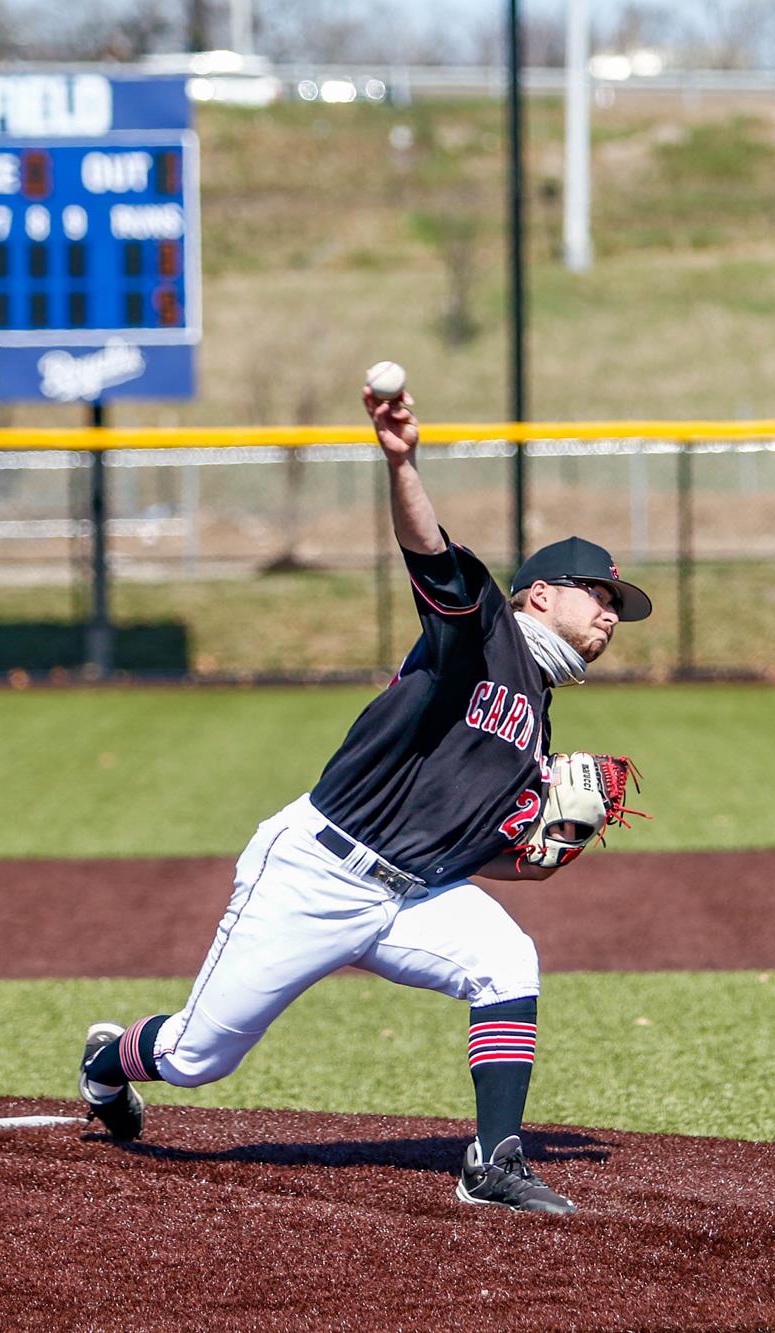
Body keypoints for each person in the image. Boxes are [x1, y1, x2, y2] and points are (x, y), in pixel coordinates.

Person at [75, 377, 652, 1216]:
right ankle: (108, 1060)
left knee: (506, 958)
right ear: (540, 592)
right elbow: (429, 555)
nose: (608, 613)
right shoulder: (483, 629)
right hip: (315, 872)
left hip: (412, 894)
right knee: (201, 1056)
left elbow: (482, 851)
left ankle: (493, 1161)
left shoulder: (536, 727)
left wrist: (536, 862)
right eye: (597, 593)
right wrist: (403, 462)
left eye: (615, 606)